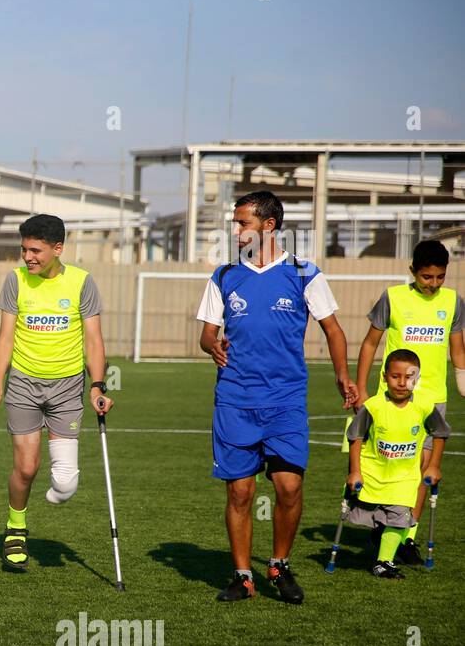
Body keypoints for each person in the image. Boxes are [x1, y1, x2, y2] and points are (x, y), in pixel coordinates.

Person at [196, 190, 357, 604]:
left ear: (268, 225)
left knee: (288, 487)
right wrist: (210, 343)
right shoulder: (225, 275)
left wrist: (342, 375)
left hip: (285, 400)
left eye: (242, 223)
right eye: (235, 223)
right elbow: (206, 333)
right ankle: (242, 575)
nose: (235, 231)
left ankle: (280, 565)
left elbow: (333, 330)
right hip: (235, 398)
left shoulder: (304, 273)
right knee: (240, 492)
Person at [0, 214, 114, 571]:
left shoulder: (82, 282)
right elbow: (5, 337)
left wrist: (97, 385)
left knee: (65, 484)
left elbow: (94, 339)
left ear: (58, 248)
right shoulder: (16, 280)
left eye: (35, 250)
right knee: (26, 467)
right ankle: (16, 527)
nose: (28, 257)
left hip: (68, 387)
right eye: (24, 250)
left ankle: (55, 492)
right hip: (23, 383)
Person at [353, 239, 462, 565]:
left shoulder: (454, 302)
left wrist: (462, 376)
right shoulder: (394, 297)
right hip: (393, 399)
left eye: (440, 277)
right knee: (390, 466)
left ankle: (406, 537)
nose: (433, 284)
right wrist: (361, 387)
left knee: (420, 471)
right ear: (413, 271)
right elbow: (371, 343)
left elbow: (458, 348)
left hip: (431, 400)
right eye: (427, 277)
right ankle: (382, 523)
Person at [344, 349, 447, 580]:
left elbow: (440, 433)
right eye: (395, 376)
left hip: (405, 477)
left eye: (409, 377)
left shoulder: (424, 406)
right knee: (373, 516)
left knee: (400, 516)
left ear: (417, 379)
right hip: (373, 472)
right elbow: (355, 437)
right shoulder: (373, 406)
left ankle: (383, 562)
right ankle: (381, 536)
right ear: (384, 377)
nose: (402, 383)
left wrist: (434, 466)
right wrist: (355, 471)